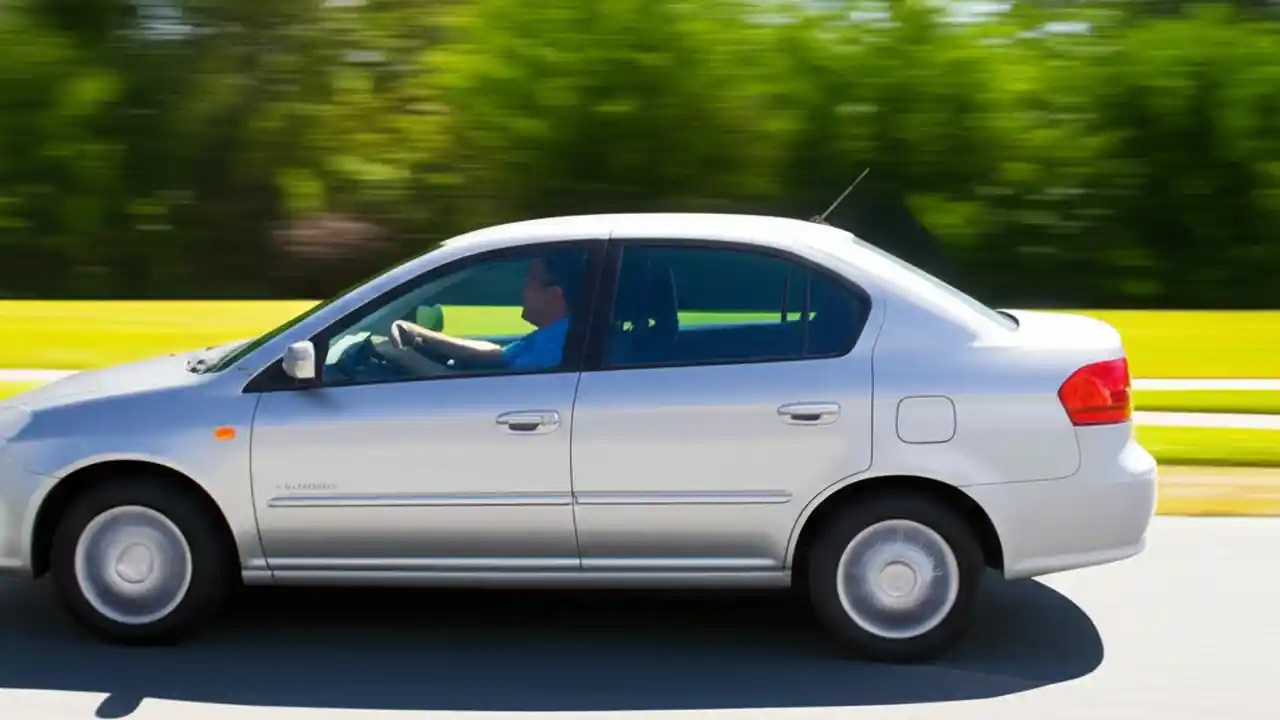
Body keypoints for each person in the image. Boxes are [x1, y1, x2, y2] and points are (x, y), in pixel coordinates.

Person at [375, 250, 579, 375]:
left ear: (554, 294)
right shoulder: (555, 334)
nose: (523, 286)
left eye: (531, 280)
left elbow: (479, 390)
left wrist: (403, 357)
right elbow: (497, 354)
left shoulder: (556, 350)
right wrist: (420, 334)